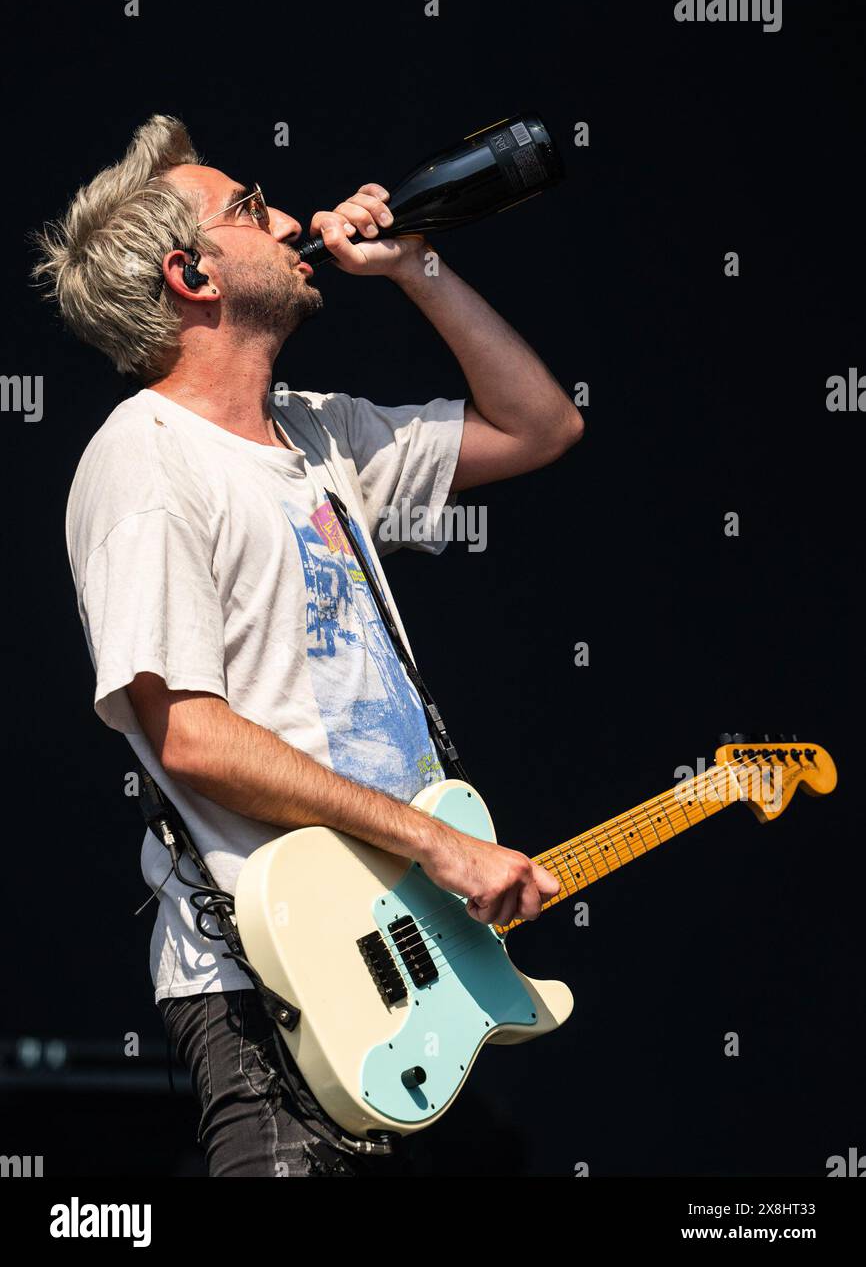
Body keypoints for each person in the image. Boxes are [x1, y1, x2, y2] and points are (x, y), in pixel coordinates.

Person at [31, 114, 584, 1176]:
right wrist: (433, 842)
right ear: (188, 273)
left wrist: (416, 263)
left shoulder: (321, 432)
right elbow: (190, 736)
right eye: (248, 208)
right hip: (271, 983)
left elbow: (538, 427)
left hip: (401, 965)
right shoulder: (144, 460)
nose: (288, 217)